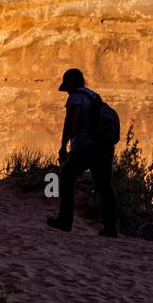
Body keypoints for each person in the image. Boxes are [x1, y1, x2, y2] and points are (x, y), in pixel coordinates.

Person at [47, 68, 118, 237]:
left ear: (71, 83)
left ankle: (64, 221)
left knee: (66, 175)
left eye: (67, 87)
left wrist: (64, 146)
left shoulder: (76, 98)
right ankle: (111, 228)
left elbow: (70, 122)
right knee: (105, 185)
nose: (67, 92)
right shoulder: (94, 96)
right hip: (104, 147)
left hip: (87, 147)